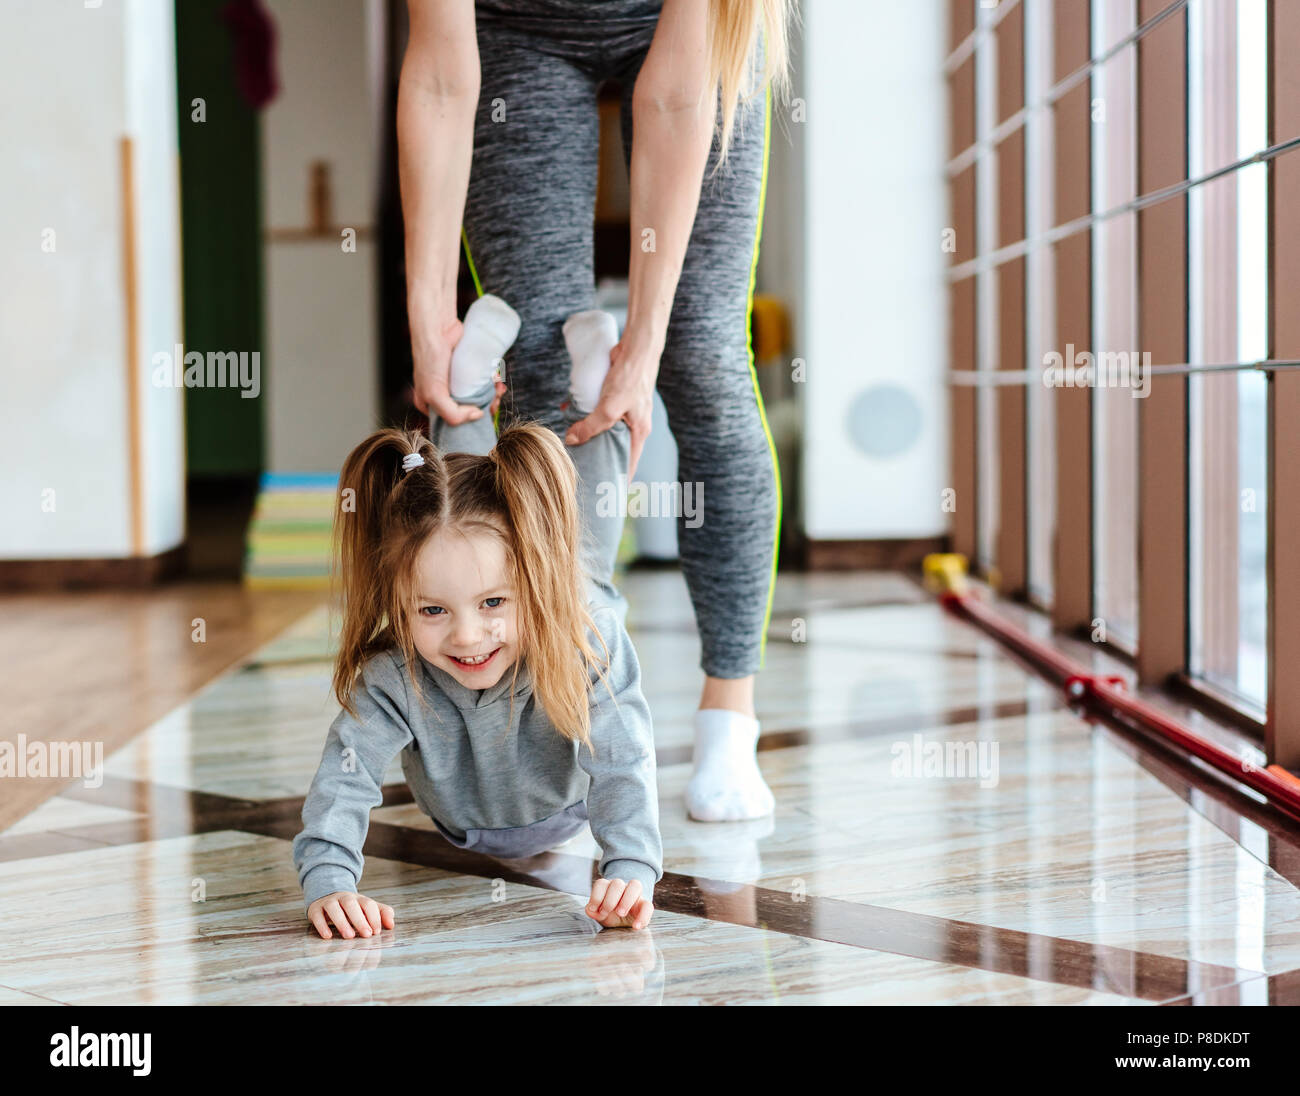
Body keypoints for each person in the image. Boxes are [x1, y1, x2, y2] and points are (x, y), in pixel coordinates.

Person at [398, 0, 795, 821]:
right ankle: (567, 710)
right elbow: (440, 76)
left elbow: (676, 98)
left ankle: (730, 713)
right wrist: (428, 309)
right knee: (545, 363)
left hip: (688, 34)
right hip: (518, 33)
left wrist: (644, 343)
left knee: (699, 354)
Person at [291, 423, 662, 939]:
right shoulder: (391, 676)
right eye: (432, 609)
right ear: (399, 603)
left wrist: (631, 869)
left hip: (568, 800)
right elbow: (343, 781)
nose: (467, 637)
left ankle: (595, 413)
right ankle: (463, 401)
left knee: (593, 594)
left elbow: (625, 761)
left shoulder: (589, 640)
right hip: (461, 826)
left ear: (530, 584)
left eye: (493, 601)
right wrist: (329, 879)